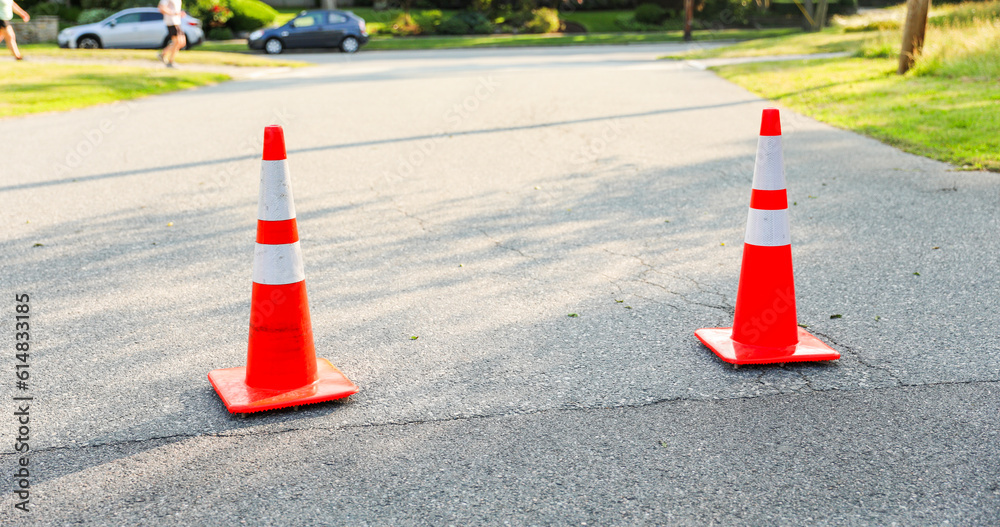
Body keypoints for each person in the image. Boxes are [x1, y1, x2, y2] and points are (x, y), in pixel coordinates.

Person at [157, 0, 185, 67]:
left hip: (177, 22)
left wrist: (179, 14)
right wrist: (174, 13)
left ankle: (163, 54)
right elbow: (161, 8)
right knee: (177, 41)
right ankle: (170, 62)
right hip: (171, 22)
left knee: (181, 42)